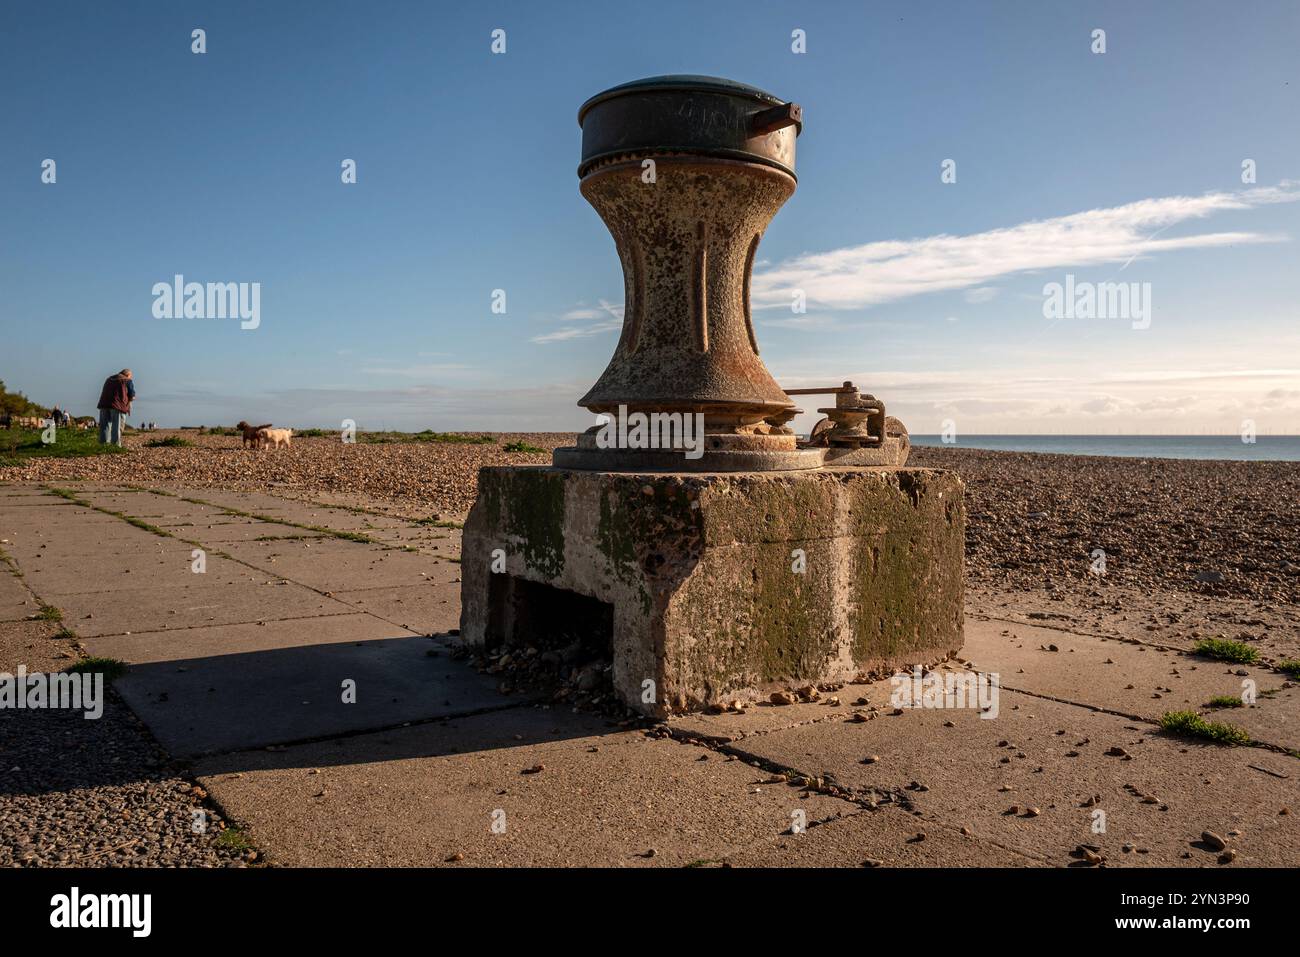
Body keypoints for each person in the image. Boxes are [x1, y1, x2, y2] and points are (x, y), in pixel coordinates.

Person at [96, 369, 135, 446]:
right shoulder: (127, 380)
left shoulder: (109, 379)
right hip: (118, 406)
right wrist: (129, 403)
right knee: (117, 426)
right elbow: (132, 396)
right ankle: (115, 445)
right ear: (128, 375)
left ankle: (104, 445)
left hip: (104, 404)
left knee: (105, 426)